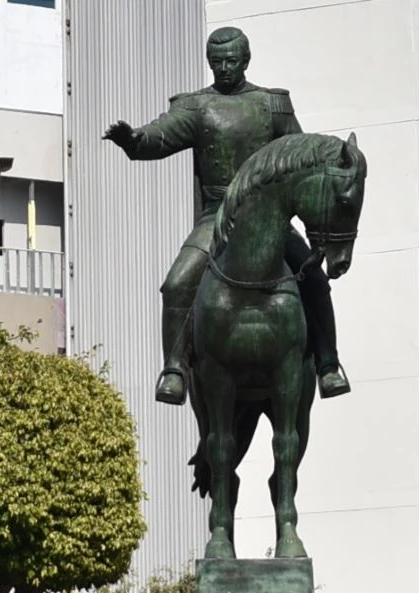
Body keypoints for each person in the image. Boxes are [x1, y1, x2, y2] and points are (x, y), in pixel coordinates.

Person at [103, 26, 350, 405]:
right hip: (217, 220)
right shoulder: (196, 107)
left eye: (231, 61)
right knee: (176, 283)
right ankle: (174, 368)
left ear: (246, 60)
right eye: (216, 62)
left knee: (314, 279)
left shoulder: (273, 105)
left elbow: (301, 159)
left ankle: (328, 364)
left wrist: (308, 227)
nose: (224, 68)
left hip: (270, 221)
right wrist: (135, 140)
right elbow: (162, 135)